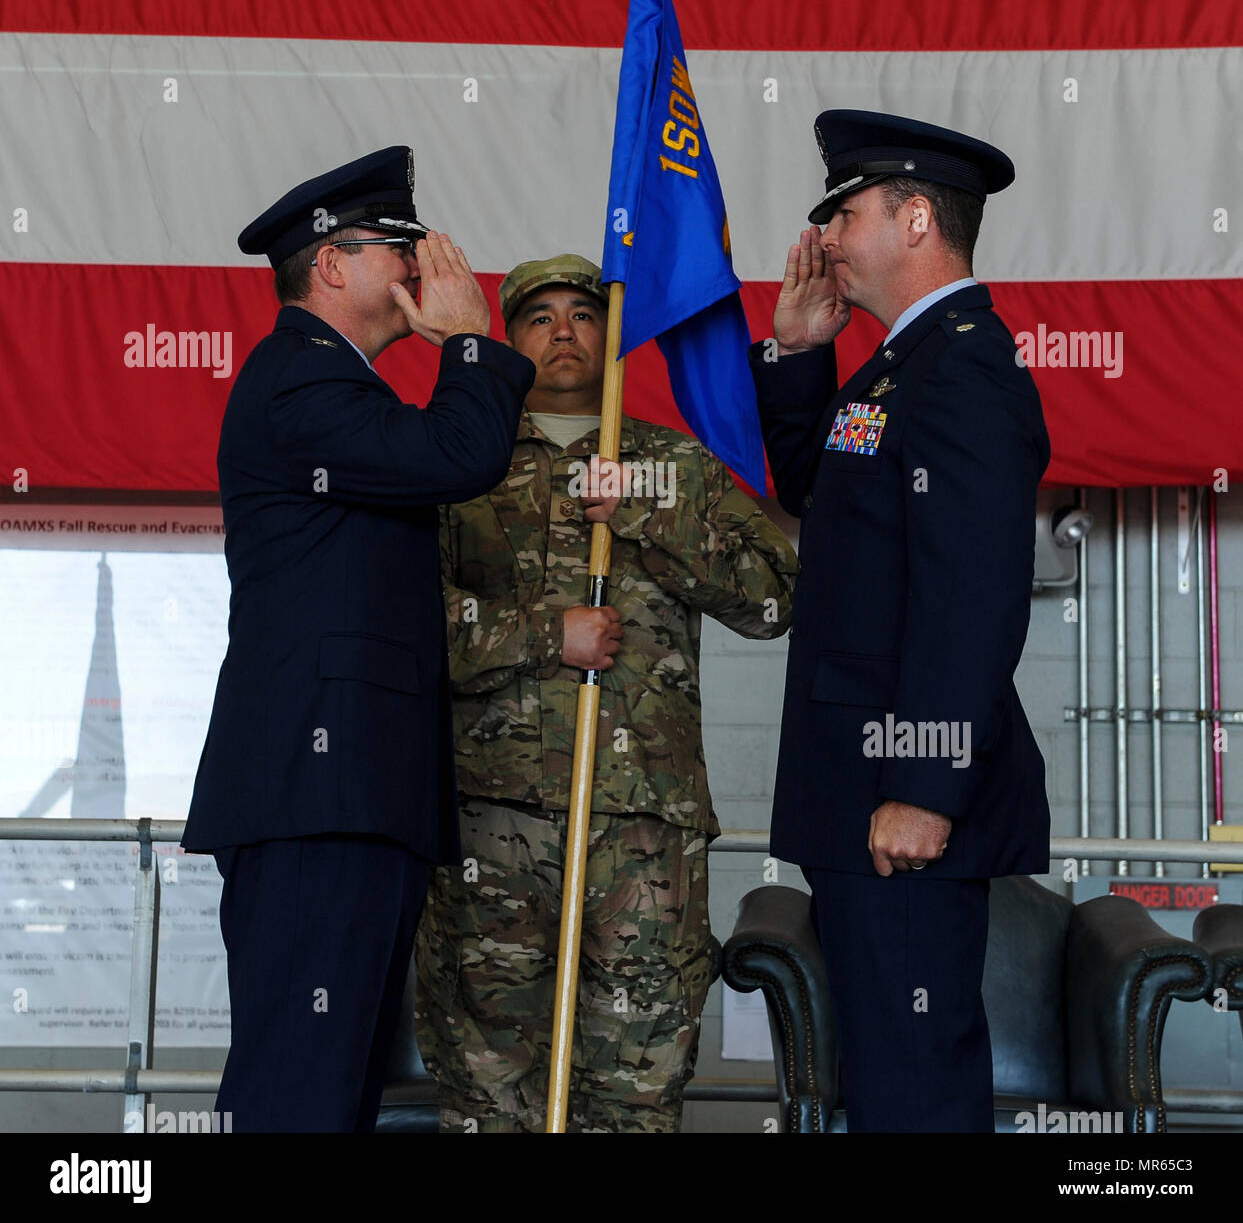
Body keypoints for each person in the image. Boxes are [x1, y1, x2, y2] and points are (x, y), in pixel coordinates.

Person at [180, 145, 534, 1132]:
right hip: (315, 796)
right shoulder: (301, 382)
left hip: (345, 794)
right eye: (395, 248)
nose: (419, 271)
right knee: (299, 1094)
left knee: (332, 1095)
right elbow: (458, 454)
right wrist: (469, 342)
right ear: (331, 264)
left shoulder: (334, 384)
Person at [414, 253, 799, 1133]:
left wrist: (645, 514)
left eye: (584, 315)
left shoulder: (670, 464)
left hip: (641, 824)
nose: (562, 331)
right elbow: (402, 631)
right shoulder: (455, 460)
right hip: (488, 817)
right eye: (538, 315)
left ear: (614, 336)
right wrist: (544, 633)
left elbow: (777, 598)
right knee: (488, 1082)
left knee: (637, 1074)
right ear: (507, 339)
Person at [749, 111, 1052, 1132]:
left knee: (913, 1080)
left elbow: (971, 598)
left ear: (916, 216)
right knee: (883, 1074)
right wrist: (797, 355)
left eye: (843, 210)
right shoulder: (896, 366)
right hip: (863, 788)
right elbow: (812, 488)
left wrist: (924, 786)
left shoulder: (961, 366)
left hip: (904, 798)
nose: (824, 234)